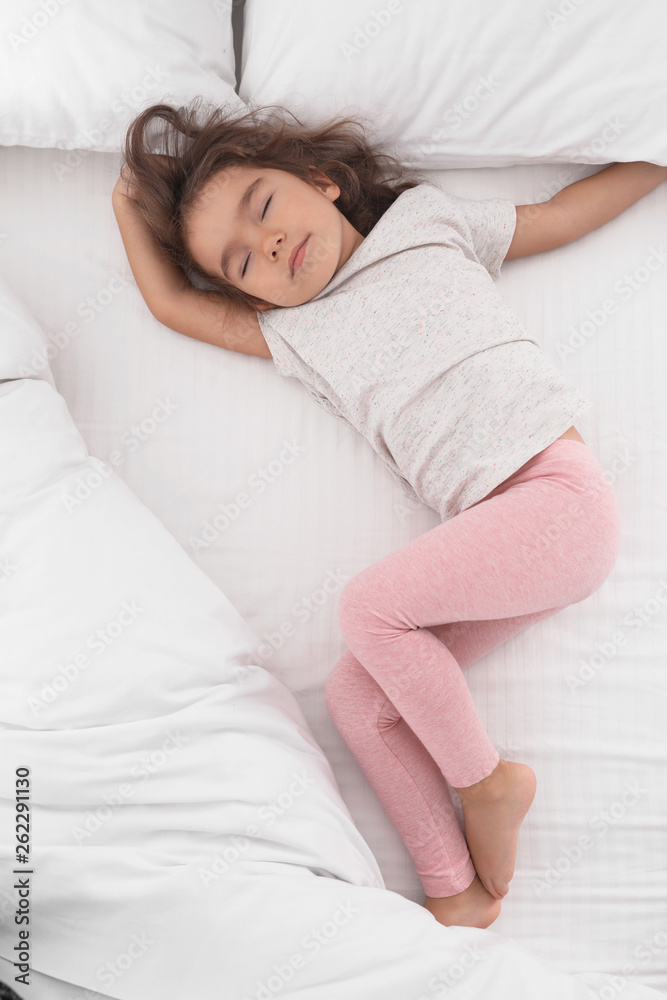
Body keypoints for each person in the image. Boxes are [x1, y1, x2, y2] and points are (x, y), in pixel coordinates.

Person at [112, 98, 667, 930]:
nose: (263, 244)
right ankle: (453, 889)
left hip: (556, 495)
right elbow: (172, 307)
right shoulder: (295, 332)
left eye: (262, 207)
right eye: (239, 261)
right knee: (353, 697)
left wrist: (654, 153)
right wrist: (127, 205)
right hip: (504, 538)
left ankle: (485, 783)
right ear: (249, 295)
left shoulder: (427, 225)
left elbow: (559, 215)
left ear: (323, 182)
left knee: (369, 610)